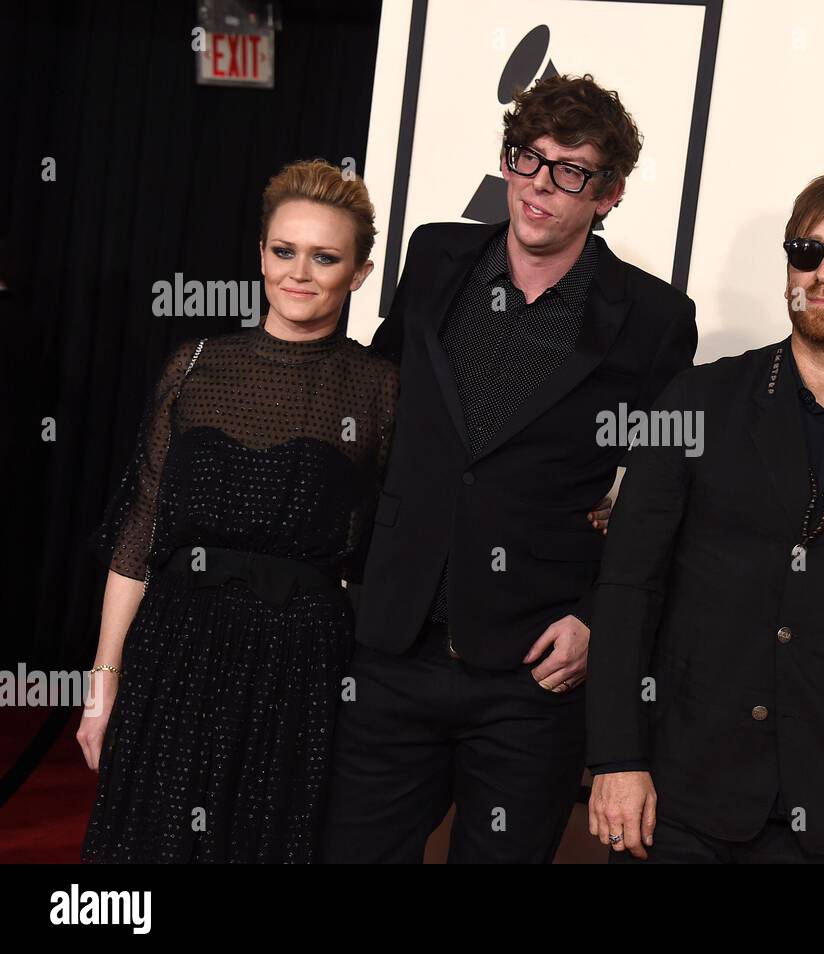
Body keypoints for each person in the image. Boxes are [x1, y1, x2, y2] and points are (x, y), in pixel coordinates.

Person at [318, 74, 697, 864]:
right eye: (528, 158)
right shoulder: (435, 253)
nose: (538, 186)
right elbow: (382, 404)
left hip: (533, 671)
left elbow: (665, 499)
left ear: (610, 193)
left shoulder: (654, 319)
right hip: (392, 642)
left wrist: (599, 613)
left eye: (570, 170)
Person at [584, 173, 824, 863]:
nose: (822, 273)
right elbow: (627, 588)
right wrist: (615, 759)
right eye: (805, 251)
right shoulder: (695, 401)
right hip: (679, 801)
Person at [79, 159, 396, 862]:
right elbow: (140, 527)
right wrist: (104, 679)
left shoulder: (379, 389)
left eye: (325, 257)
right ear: (260, 254)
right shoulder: (195, 365)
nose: (299, 273)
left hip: (299, 666)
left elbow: (403, 538)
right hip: (175, 650)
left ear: (360, 274)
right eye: (284, 251)